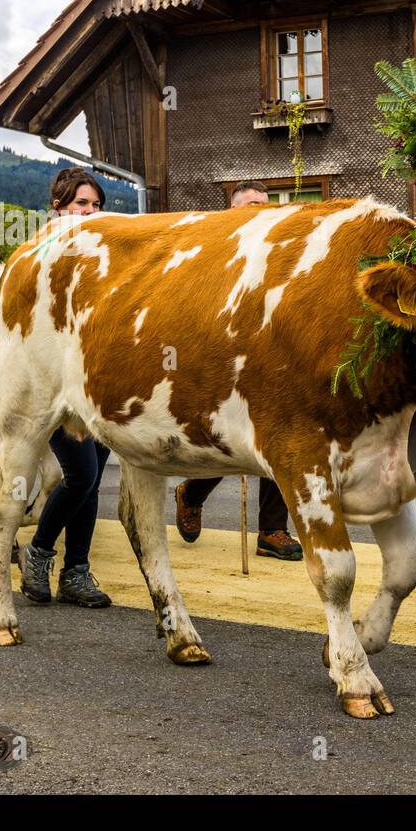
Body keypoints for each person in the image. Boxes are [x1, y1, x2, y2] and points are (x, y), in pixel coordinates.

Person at [172, 182, 303, 560]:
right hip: (222, 360)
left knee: (278, 437)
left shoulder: (279, 251)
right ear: (231, 212)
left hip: (270, 358)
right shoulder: (213, 251)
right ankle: (191, 493)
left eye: (265, 205)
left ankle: (272, 531)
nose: (260, 211)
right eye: (251, 206)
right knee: (227, 440)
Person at [17, 168, 114, 607]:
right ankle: (38, 553)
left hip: (98, 385)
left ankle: (76, 571)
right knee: (83, 475)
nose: (90, 212)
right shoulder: (41, 257)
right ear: (58, 207)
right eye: (82, 204)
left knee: (91, 481)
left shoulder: (105, 258)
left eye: (96, 205)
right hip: (52, 386)